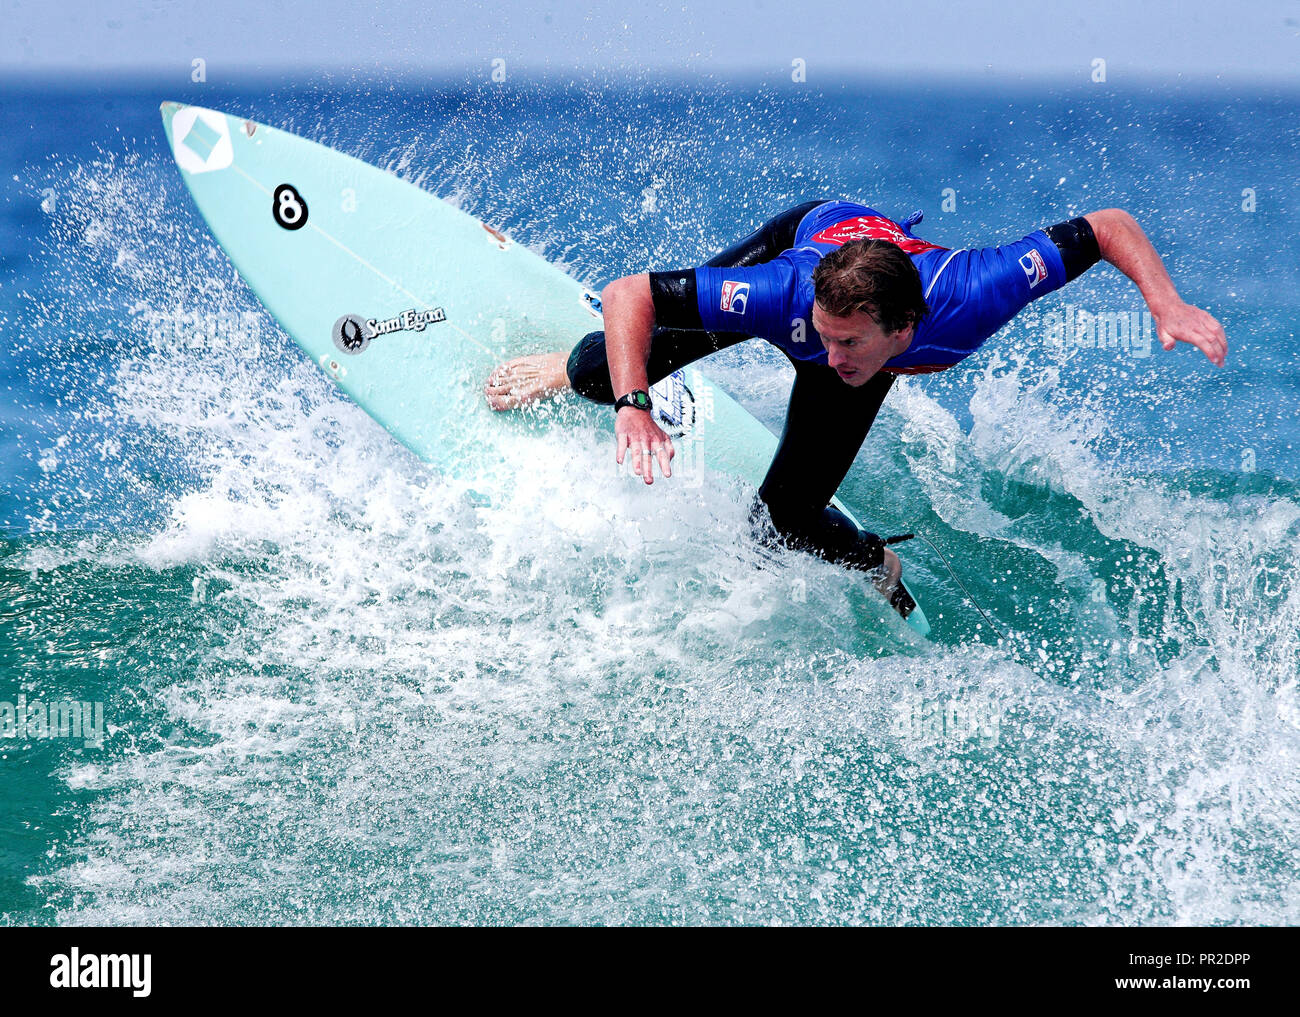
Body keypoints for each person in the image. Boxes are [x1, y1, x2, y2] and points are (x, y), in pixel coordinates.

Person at [483, 199, 1227, 604]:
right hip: (805, 240)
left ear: (905, 330)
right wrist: (633, 403)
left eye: (849, 346)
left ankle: (877, 560)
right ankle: (591, 370)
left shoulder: (974, 293)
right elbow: (629, 293)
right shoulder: (784, 298)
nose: (826, 358)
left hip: (878, 305)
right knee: (596, 368)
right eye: (826, 341)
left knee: (776, 527)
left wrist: (1167, 305)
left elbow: (1107, 228)